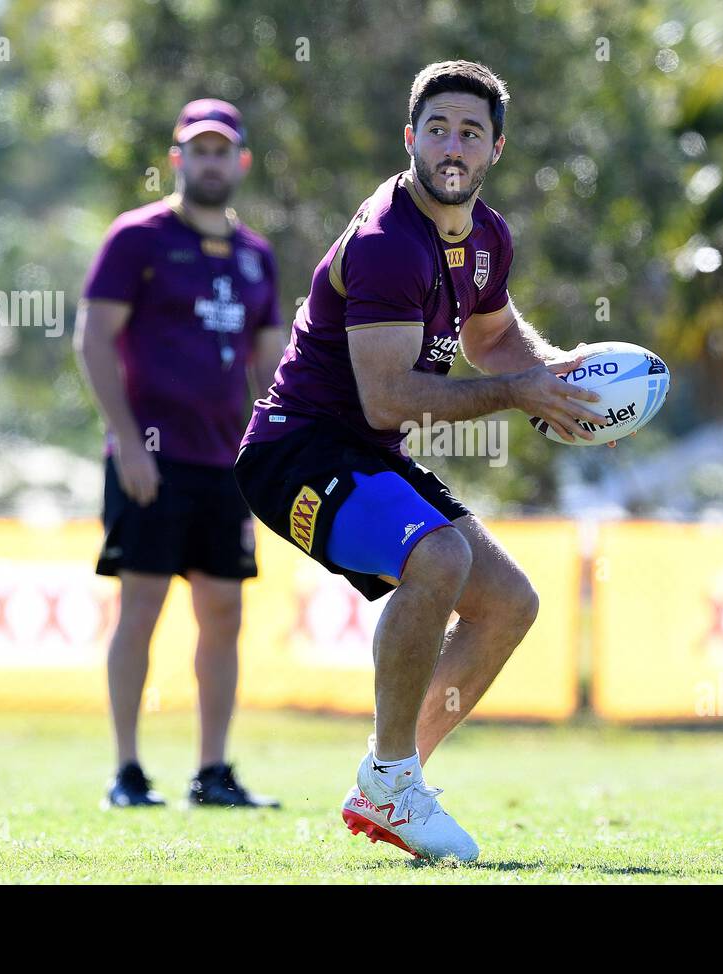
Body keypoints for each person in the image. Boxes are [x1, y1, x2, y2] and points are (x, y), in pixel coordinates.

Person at [233, 61, 605, 860]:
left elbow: (495, 339)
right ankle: (398, 781)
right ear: (411, 137)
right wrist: (520, 393)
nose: (452, 144)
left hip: (363, 452)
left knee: (509, 603)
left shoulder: (488, 238)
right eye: (437, 127)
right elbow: (388, 400)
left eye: (471, 131)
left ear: (495, 148)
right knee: (436, 555)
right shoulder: (385, 242)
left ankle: (386, 787)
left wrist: (560, 379)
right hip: (293, 450)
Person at [76, 99, 285, 810]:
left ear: (241, 162)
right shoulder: (137, 238)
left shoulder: (257, 255)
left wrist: (274, 458)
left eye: (222, 149)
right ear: (177, 159)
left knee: (224, 611)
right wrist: (129, 443)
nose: (210, 160)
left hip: (226, 464)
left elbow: (270, 365)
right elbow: (94, 339)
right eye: (198, 149)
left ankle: (212, 772)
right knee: (141, 606)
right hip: (150, 459)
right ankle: (128, 772)